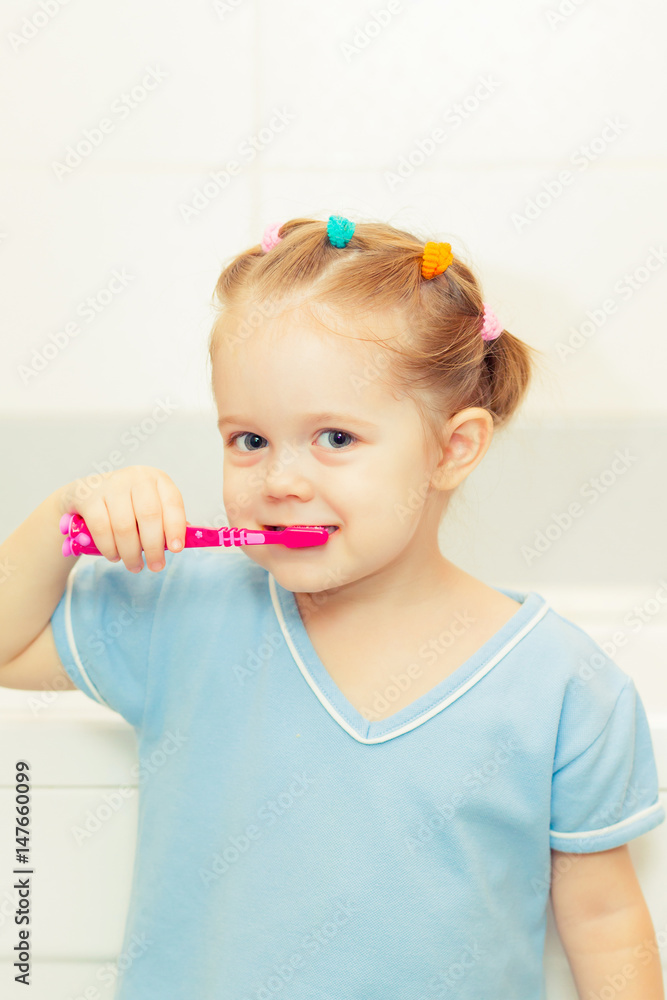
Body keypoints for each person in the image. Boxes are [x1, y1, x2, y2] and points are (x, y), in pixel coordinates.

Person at [1, 214, 664, 999]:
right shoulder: (184, 613)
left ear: (453, 449)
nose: (279, 481)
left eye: (335, 439)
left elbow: (603, 924)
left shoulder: (560, 685)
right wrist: (61, 518)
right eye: (247, 440)